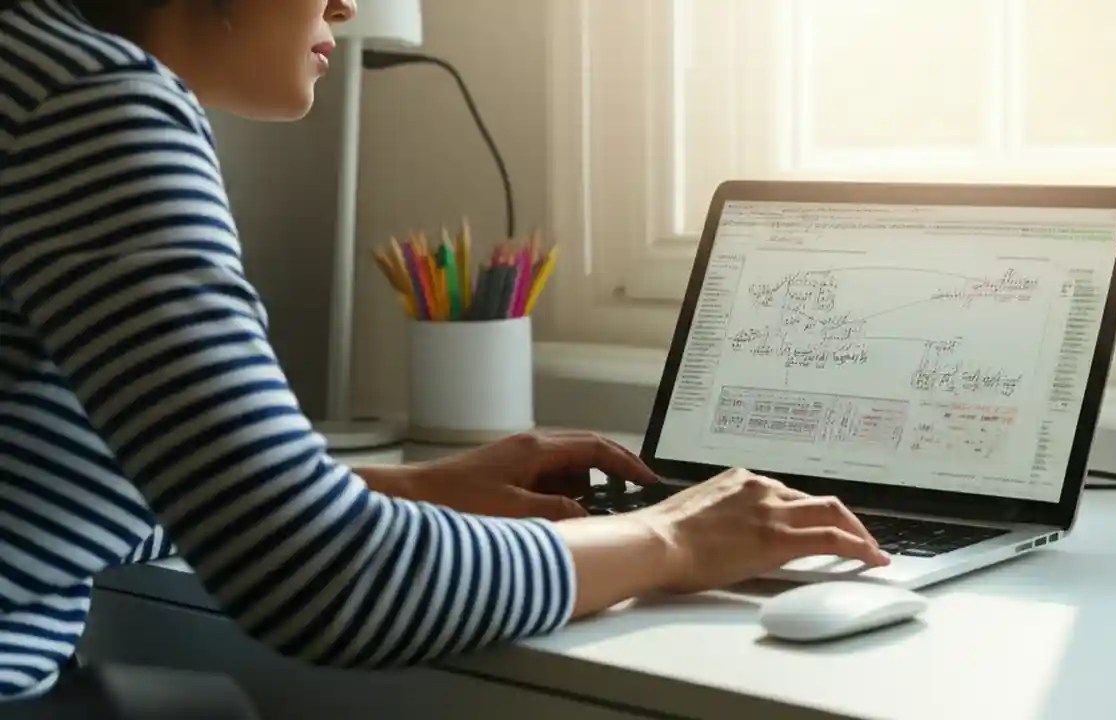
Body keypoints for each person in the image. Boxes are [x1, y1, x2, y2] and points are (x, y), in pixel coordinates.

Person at [0, 0, 890, 709]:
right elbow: (321, 579)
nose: (345, 5)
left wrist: (410, 487)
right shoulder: (91, 104)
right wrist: (668, 536)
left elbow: (56, 483)